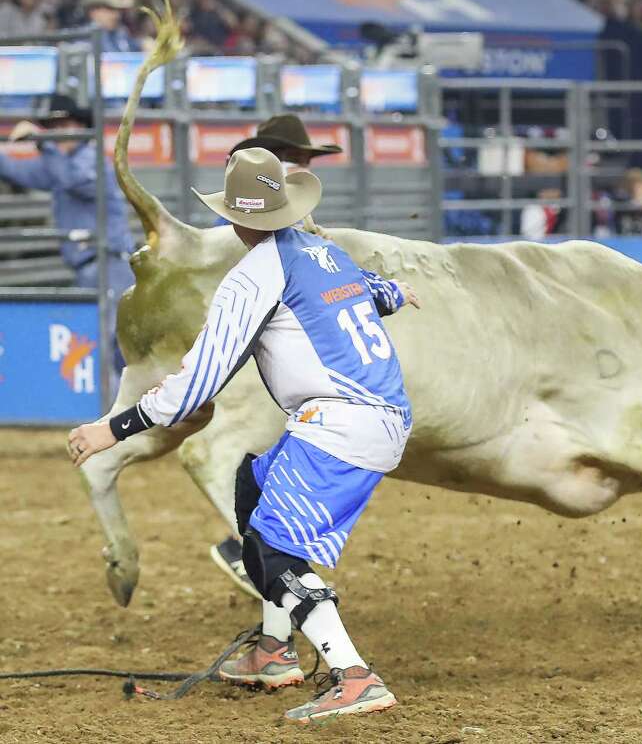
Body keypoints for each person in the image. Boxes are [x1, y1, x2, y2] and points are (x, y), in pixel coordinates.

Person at [67, 148, 421, 723]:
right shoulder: (325, 254)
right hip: (371, 416)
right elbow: (373, 293)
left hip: (341, 422)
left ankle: (353, 676)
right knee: (251, 491)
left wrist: (118, 426)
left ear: (235, 219)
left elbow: (199, 378)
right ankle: (273, 651)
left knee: (272, 548)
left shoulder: (253, 275)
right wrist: (399, 294)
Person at [207, 113, 345, 593]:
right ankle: (265, 553)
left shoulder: (251, 195)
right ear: (299, 158)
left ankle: (256, 549)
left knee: (284, 454)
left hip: (265, 332)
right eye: (305, 157)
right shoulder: (282, 205)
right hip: (280, 334)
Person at [0, 93, 135, 386]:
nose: (58, 132)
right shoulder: (60, 164)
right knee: (107, 342)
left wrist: (41, 141)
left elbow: (72, 179)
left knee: (115, 342)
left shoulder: (87, 160)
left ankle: (120, 417)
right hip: (93, 265)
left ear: (79, 125)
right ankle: (119, 415)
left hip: (109, 264)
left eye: (63, 124)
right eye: (53, 126)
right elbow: (19, 171)